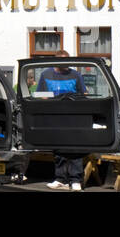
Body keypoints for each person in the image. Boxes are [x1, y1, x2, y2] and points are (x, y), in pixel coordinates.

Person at [37, 52, 87, 191]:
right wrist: (50, 102)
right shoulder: (46, 74)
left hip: (74, 117)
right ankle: (60, 178)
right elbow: (40, 94)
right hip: (55, 116)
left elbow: (83, 94)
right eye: (63, 62)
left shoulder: (76, 75)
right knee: (58, 148)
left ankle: (76, 179)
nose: (66, 66)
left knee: (75, 148)